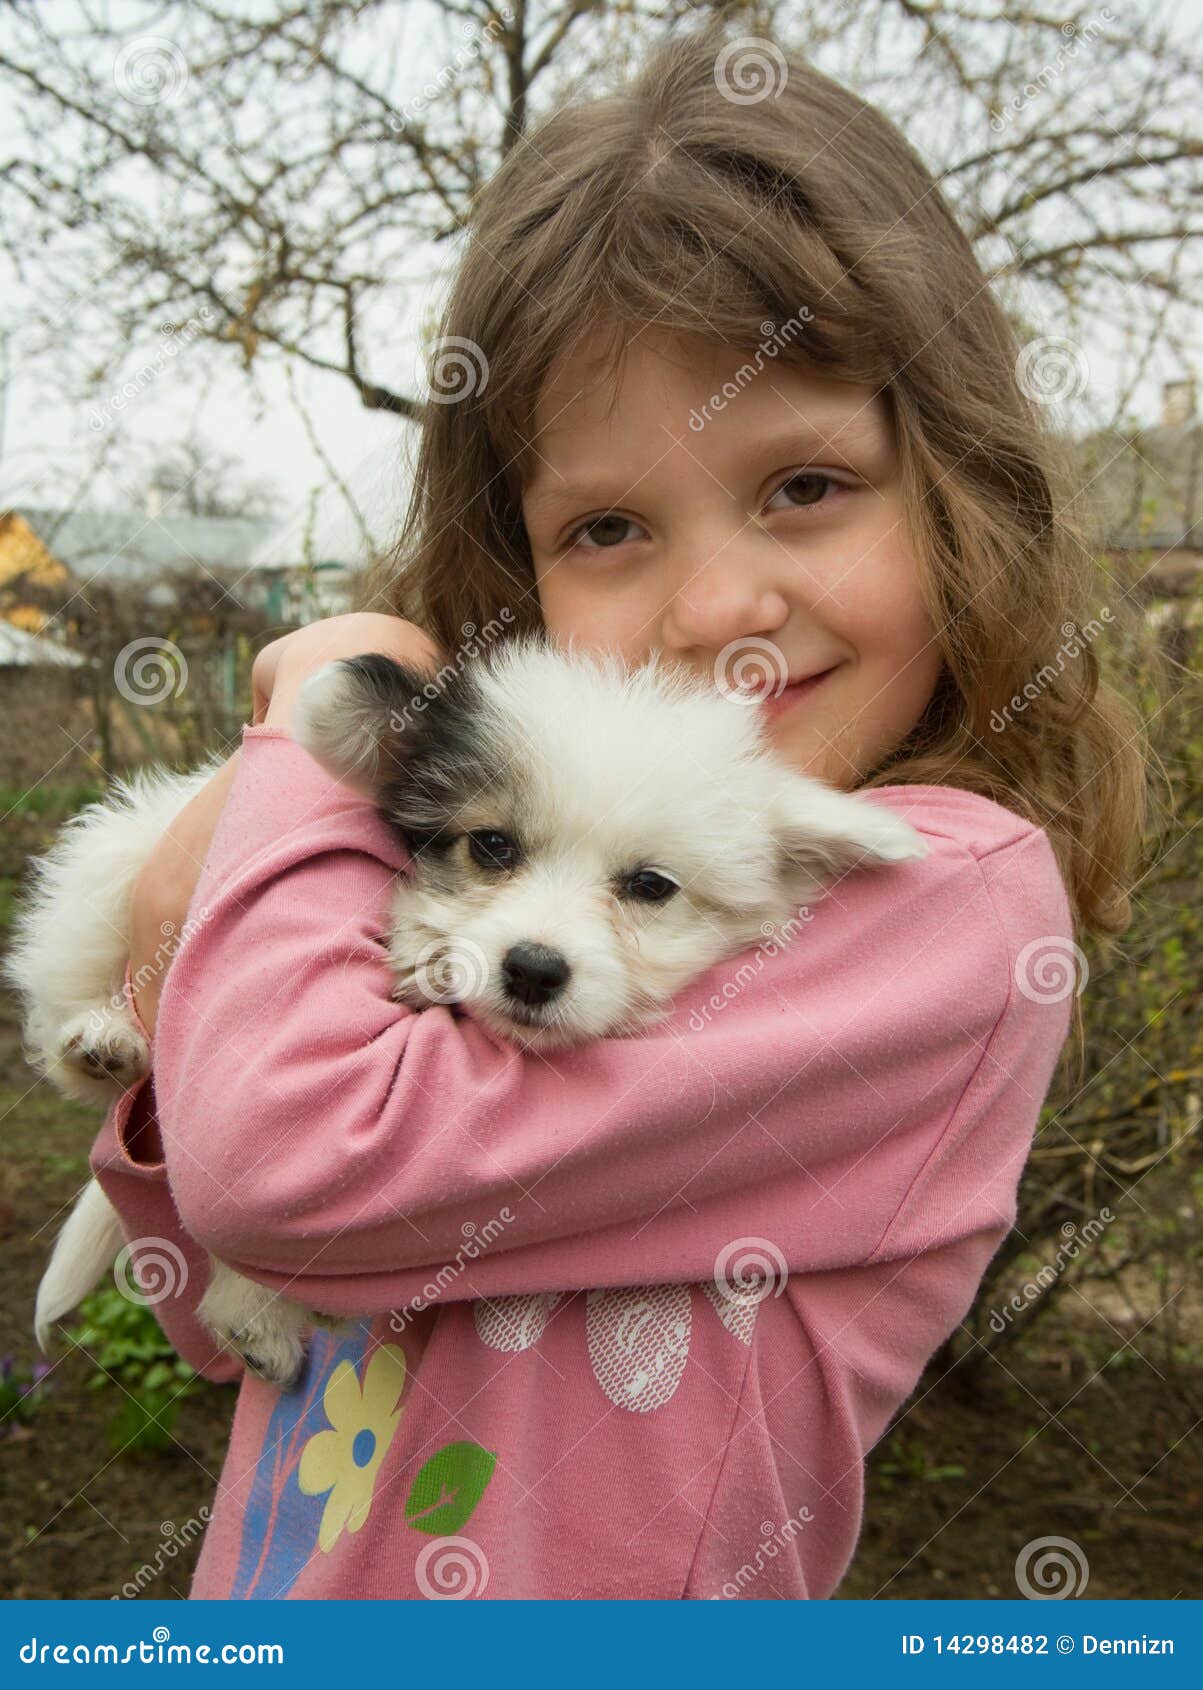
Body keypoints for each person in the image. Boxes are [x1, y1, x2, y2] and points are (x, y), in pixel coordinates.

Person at [91, 23, 1148, 1600]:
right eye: (606, 525)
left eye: (805, 485)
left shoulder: (939, 901)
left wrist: (316, 735)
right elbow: (231, 1309)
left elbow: (292, 1173)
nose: (718, 607)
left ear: (957, 484)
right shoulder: (524, 862)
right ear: (518, 569)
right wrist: (172, 1014)